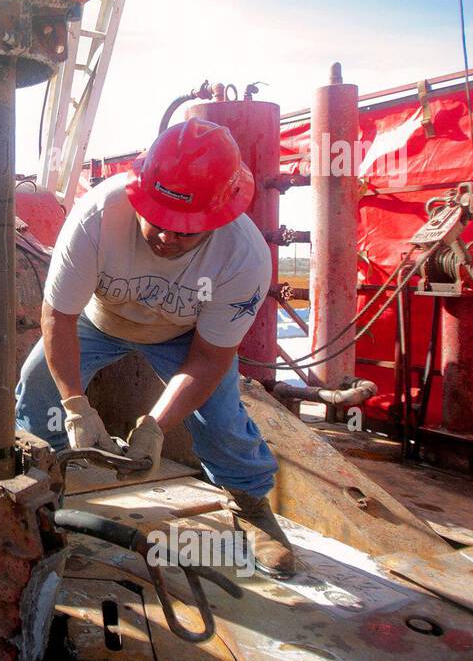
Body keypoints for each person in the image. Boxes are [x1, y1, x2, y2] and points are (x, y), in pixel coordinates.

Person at [15, 118, 296, 577]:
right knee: (37, 384)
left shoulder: (244, 256)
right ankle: (37, 495)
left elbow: (209, 357)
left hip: (185, 334)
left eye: (186, 232)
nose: (167, 237)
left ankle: (249, 504)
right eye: (160, 221)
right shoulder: (97, 216)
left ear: (217, 218)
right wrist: (75, 407)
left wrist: (155, 427)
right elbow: (59, 318)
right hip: (99, 320)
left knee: (222, 419)